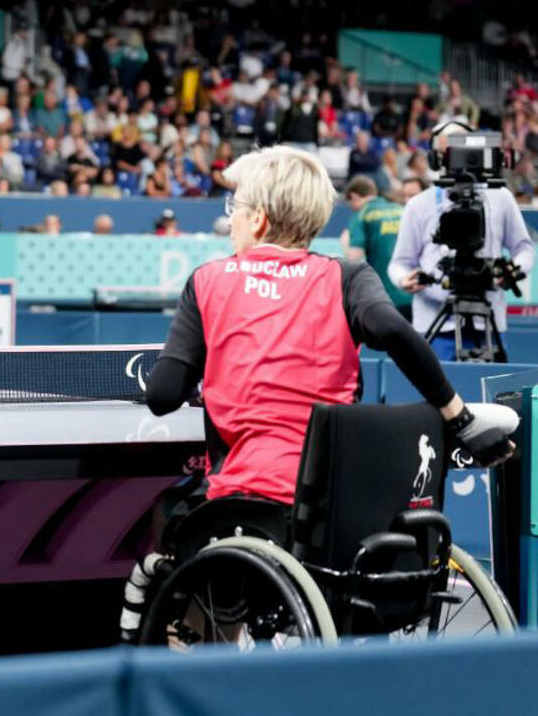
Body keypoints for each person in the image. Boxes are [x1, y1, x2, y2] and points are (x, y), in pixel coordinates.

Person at [125, 145, 519, 642]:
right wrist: (459, 419)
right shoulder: (347, 277)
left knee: (171, 518)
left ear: (261, 220)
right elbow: (396, 333)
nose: (232, 224)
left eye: (236, 212)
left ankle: (201, 655)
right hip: (343, 510)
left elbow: (162, 394)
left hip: (251, 508)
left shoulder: (207, 281)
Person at [389, 128, 536, 360]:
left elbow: (525, 249)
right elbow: (399, 263)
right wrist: (403, 278)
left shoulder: (501, 197)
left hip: (488, 322)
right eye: (450, 152)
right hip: (433, 322)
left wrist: (514, 270)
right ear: (437, 158)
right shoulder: (418, 205)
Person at [340, 176, 413, 320]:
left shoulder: (363, 214)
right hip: (412, 291)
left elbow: (354, 256)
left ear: (354, 196)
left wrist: (345, 243)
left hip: (385, 296)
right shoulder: (400, 208)